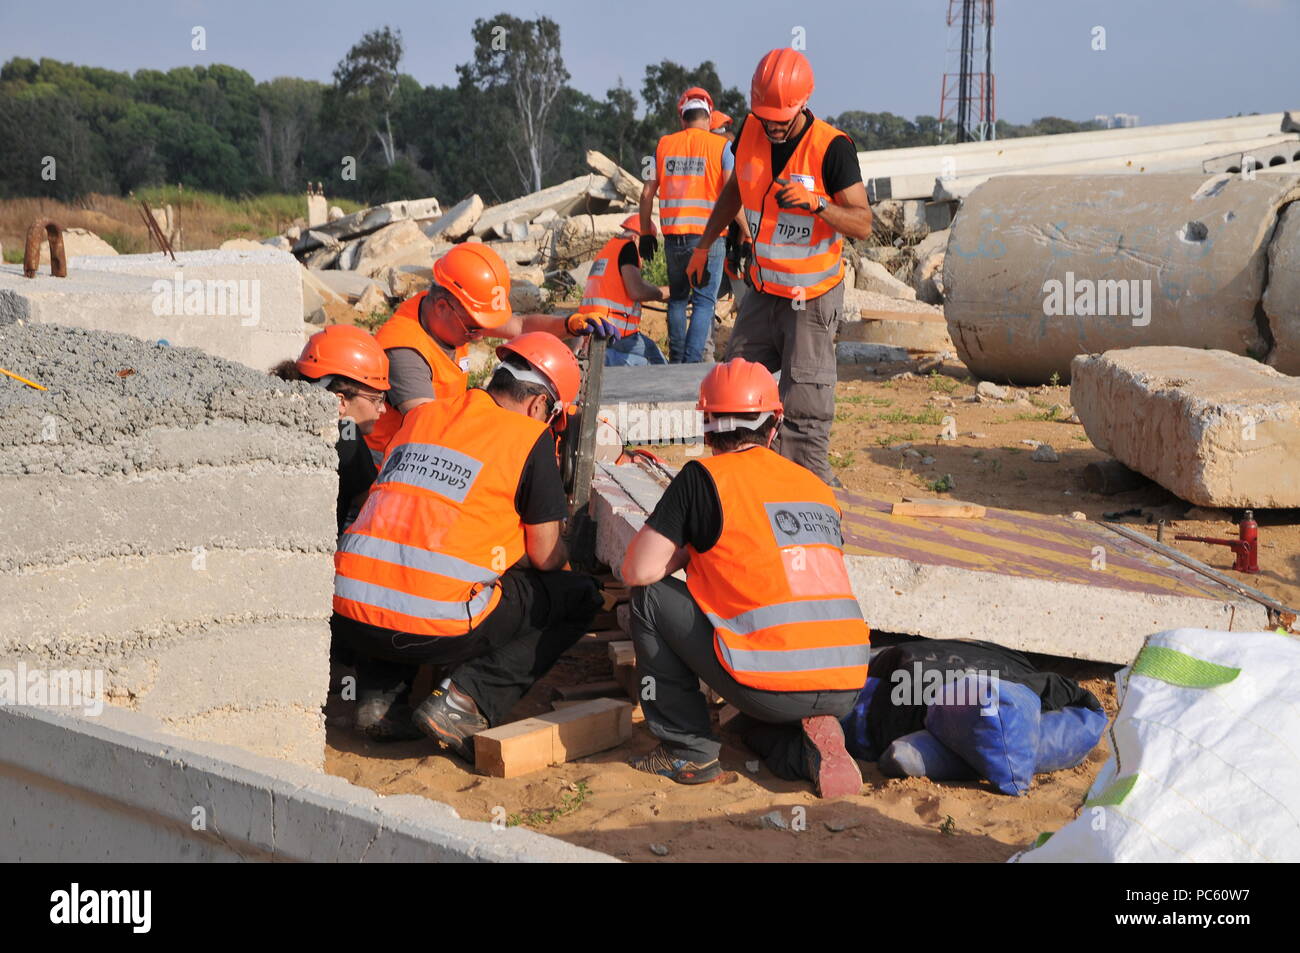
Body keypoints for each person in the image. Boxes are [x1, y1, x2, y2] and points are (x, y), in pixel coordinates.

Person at [332, 332, 602, 748]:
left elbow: (409, 519)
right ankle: (466, 700)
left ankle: (380, 697)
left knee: (405, 569)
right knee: (577, 595)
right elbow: (546, 556)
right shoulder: (529, 437)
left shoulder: (422, 416)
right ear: (537, 405)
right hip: (432, 628)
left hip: (350, 613)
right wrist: (564, 566)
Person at [620, 358, 870, 797]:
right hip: (847, 681)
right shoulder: (814, 485)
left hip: (771, 682)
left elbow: (638, 569)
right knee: (751, 725)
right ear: (774, 425)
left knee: (649, 598)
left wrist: (690, 551)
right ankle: (803, 745)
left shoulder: (703, 478)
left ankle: (687, 750)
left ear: (706, 427)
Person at [685, 49, 873, 486]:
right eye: (764, 116)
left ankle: (808, 500)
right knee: (733, 389)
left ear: (803, 104)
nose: (771, 126)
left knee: (805, 407)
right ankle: (737, 485)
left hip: (811, 297)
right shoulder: (751, 130)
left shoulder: (833, 148)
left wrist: (819, 205)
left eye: (780, 119)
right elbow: (736, 188)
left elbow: (862, 223)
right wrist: (704, 243)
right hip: (764, 290)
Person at [364, 242, 614, 466]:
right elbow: (430, 428)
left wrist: (569, 324)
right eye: (474, 328)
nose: (482, 335)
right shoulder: (405, 352)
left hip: (439, 440)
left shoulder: (452, 310)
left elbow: (521, 326)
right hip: (395, 463)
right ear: (442, 307)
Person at [640, 87, 748, 364]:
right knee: (703, 301)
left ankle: (676, 360)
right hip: (708, 240)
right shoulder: (722, 147)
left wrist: (645, 233)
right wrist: (749, 234)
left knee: (678, 298)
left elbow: (645, 193)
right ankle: (690, 364)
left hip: (674, 238)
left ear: (681, 118)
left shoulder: (662, 146)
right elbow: (731, 195)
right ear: (710, 117)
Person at [271, 325, 390, 534]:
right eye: (376, 399)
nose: (383, 409)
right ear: (340, 402)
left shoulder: (280, 411)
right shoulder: (347, 435)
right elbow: (377, 515)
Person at [575, 215, 671, 366]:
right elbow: (637, 291)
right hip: (614, 330)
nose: (645, 255)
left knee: (650, 354)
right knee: (654, 362)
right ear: (636, 237)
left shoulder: (609, 249)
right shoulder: (629, 247)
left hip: (593, 327)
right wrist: (663, 293)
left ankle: (602, 357)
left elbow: (627, 285)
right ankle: (605, 359)